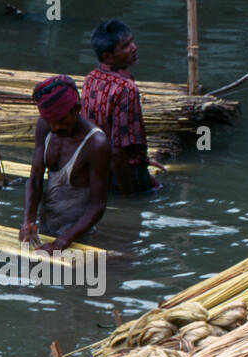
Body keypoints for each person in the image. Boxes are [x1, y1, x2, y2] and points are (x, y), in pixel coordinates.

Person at [20, 75, 110, 253]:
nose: (55, 128)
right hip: (46, 227)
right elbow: (35, 179)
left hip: (79, 236)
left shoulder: (96, 144)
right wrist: (29, 221)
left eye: (61, 120)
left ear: (76, 108)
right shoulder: (44, 126)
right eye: (50, 122)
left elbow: (97, 205)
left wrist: (62, 242)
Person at [83, 18, 158, 195]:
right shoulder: (126, 89)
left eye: (132, 41)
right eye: (126, 45)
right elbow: (118, 152)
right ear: (108, 56)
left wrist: (144, 160)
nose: (134, 47)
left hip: (96, 170)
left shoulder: (91, 78)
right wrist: (129, 195)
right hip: (123, 172)